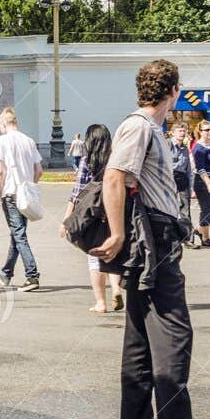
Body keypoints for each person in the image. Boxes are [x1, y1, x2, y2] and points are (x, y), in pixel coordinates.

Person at [91, 59, 210, 419]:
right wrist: (117, 233)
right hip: (155, 242)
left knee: (141, 336)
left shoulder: (150, 129)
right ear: (173, 92)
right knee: (174, 335)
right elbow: (115, 176)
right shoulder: (140, 126)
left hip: (156, 236)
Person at [60, 124, 123, 314]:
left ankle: (101, 303)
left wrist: (66, 219)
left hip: (93, 213)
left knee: (94, 257)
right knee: (112, 252)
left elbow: (77, 192)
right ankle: (117, 289)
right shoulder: (115, 158)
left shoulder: (87, 160)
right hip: (114, 211)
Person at [0, 107, 43, 291]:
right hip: (25, 194)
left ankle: (32, 275)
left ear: (4, 124)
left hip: (11, 193)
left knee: (18, 234)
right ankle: (6, 273)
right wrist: (29, 185)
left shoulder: (1, 141)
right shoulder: (29, 141)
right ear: (16, 123)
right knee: (17, 233)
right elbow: (39, 171)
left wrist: (1, 193)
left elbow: (0, 171)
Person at [168, 122, 195, 248]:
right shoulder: (167, 145)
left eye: (184, 131)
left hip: (182, 178)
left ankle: (187, 238)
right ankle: (169, 239)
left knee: (185, 209)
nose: (183, 133)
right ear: (173, 132)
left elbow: (188, 169)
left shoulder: (185, 149)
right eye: (180, 131)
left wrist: (191, 187)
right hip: (169, 178)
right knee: (168, 208)